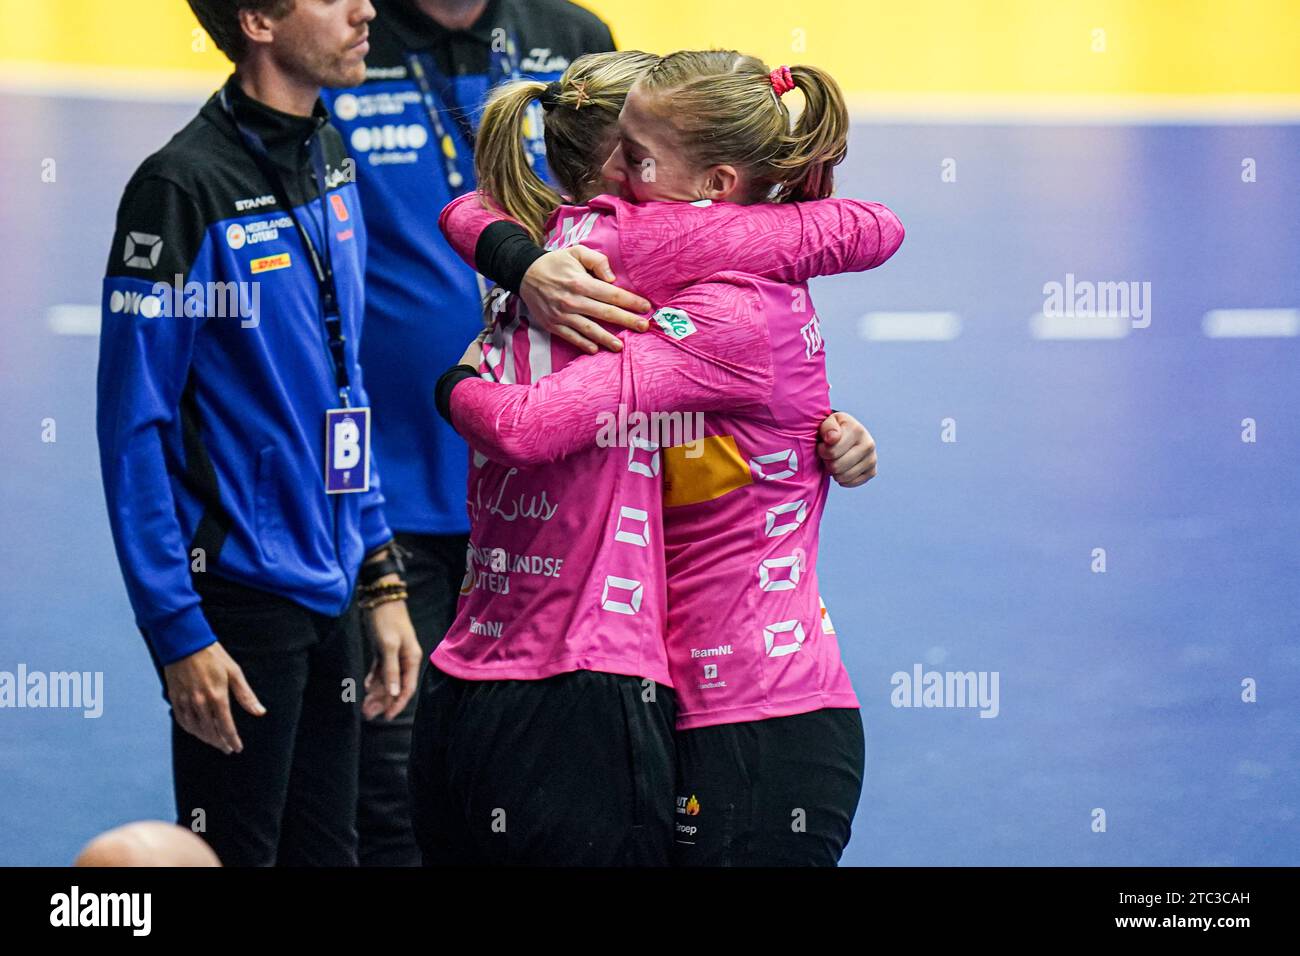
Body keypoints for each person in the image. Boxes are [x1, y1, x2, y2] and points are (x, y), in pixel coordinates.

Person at [408, 51, 894, 865]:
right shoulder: (602, 267)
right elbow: (872, 227)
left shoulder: (657, 277)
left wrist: (455, 380)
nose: (627, 174)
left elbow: (470, 215)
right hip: (665, 698)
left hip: (757, 707)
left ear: (710, 185)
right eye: (625, 151)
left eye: (643, 155)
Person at [319, 0, 651, 866]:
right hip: (390, 489)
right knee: (395, 777)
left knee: (565, 768)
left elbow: (651, 214)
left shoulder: (574, 36)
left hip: (558, 490)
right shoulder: (343, 36)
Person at [96, 0, 420, 866]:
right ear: (259, 22)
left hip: (334, 585)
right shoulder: (180, 189)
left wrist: (380, 574)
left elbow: (345, 386)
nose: (367, 10)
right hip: (236, 601)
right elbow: (133, 430)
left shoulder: (331, 154)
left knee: (331, 853)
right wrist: (178, 632)